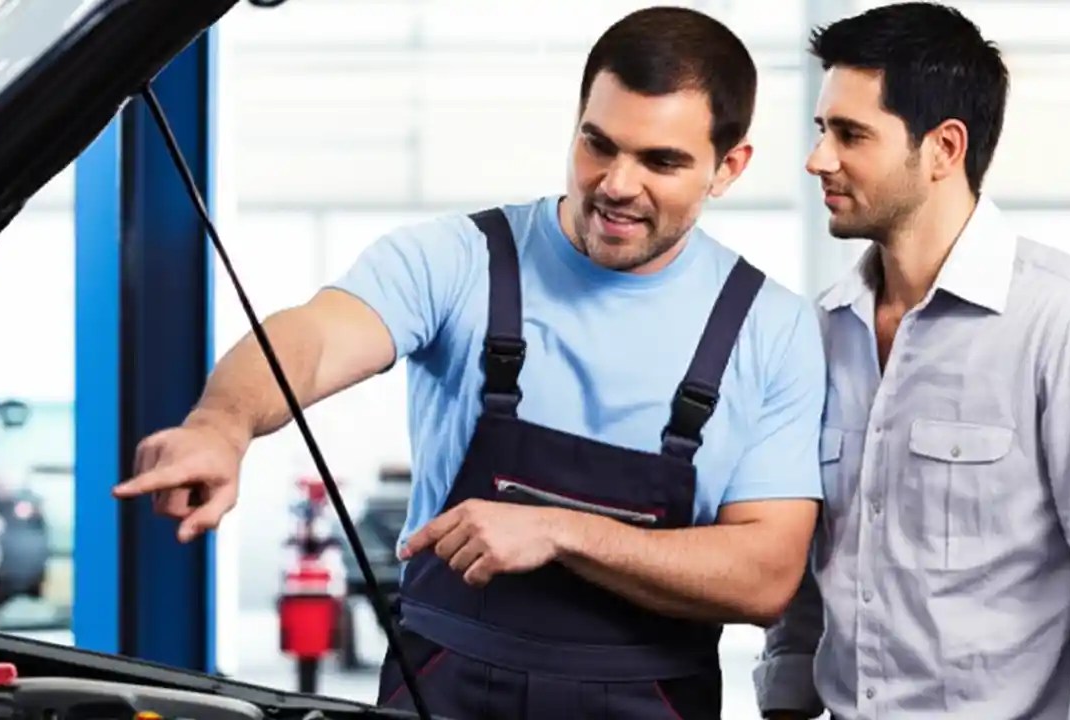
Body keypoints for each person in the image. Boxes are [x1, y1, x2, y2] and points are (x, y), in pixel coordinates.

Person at [114, 6, 827, 719]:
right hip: (442, 687)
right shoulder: (463, 261)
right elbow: (316, 336)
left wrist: (557, 530)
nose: (615, 183)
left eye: (660, 161)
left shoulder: (770, 329)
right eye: (597, 144)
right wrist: (222, 423)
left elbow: (763, 578)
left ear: (728, 168)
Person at [753, 3, 1070, 719]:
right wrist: (785, 698)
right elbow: (814, 560)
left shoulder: (1067, 322)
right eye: (821, 131)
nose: (819, 159)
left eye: (850, 135)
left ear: (943, 148)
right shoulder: (820, 330)